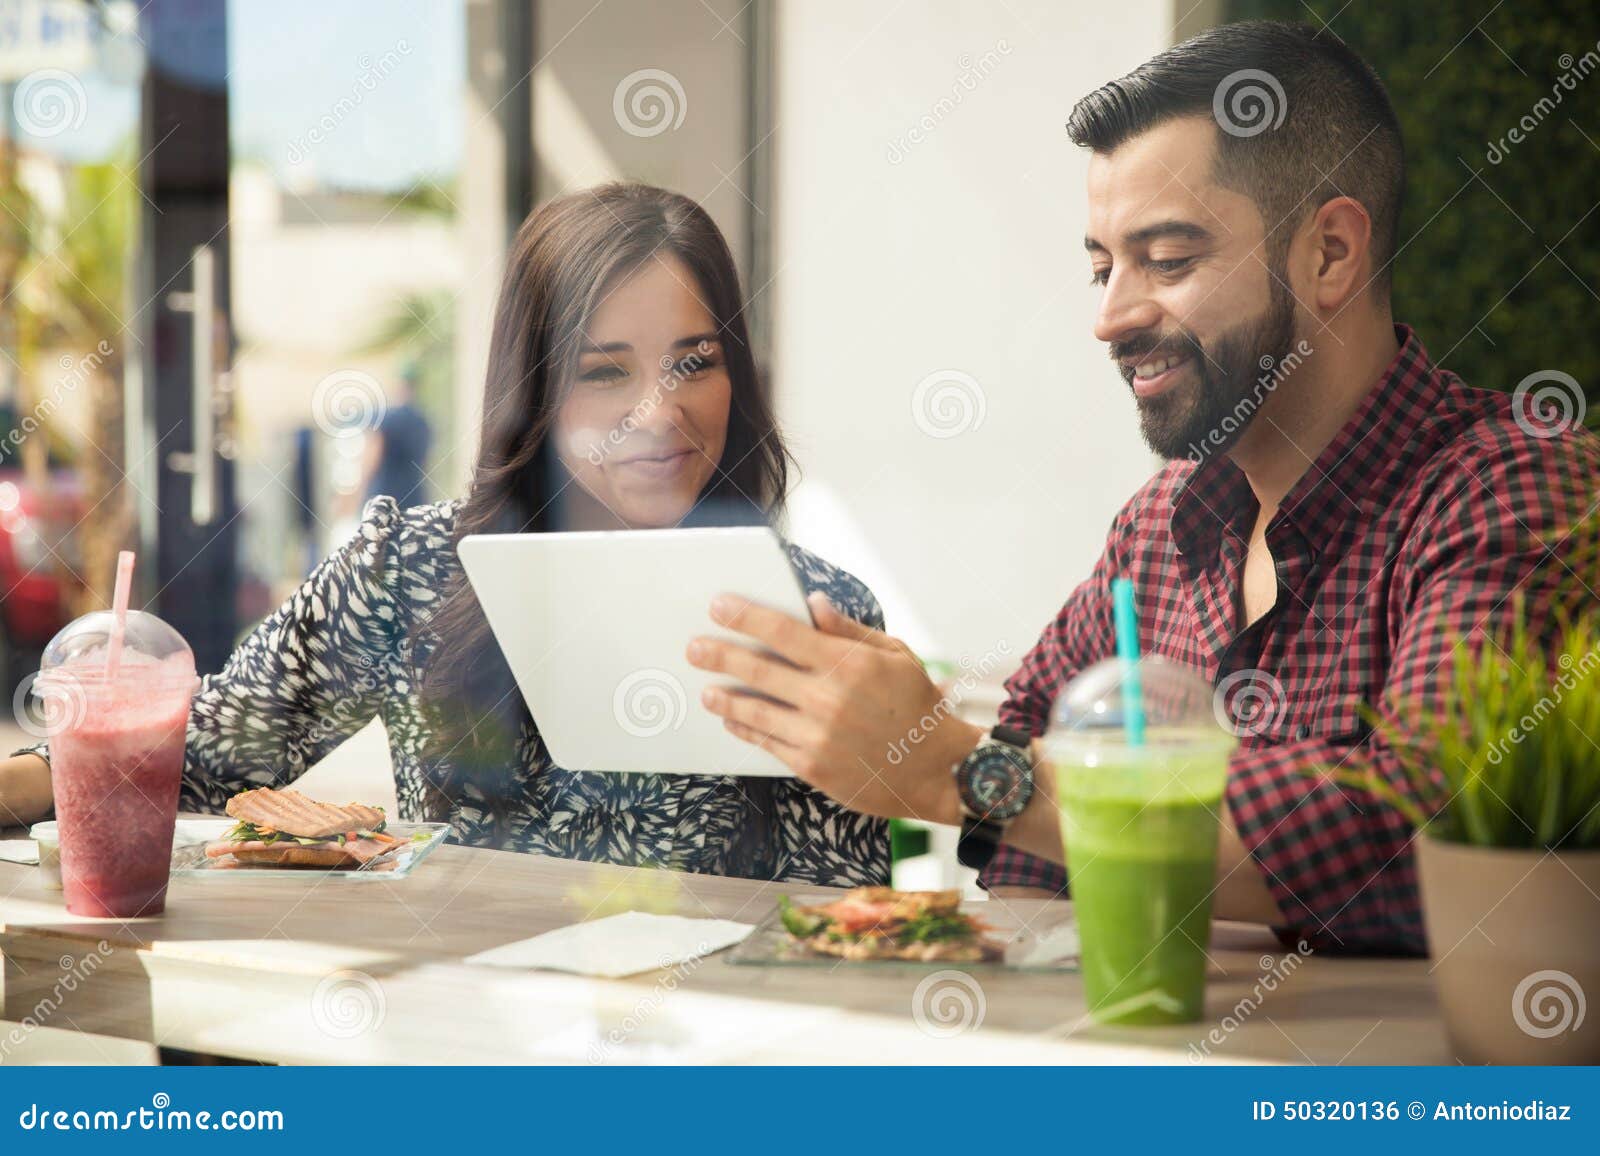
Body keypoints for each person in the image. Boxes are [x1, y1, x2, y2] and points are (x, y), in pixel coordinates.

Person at [687, 21, 1600, 953]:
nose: (1110, 317)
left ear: (1330, 255)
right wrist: (995, 781)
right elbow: (1024, 849)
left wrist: (959, 775)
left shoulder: (1517, 486)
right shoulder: (1160, 526)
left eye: (1168, 260)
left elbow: (1431, 834)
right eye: (1101, 266)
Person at [1, 183, 890, 888]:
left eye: (696, 361)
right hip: (456, 1034)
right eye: (604, 372)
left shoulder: (818, 615)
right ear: (536, 390)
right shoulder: (408, 568)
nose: (660, 414)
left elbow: (841, 914)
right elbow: (198, 757)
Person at [362, 361, 433, 509]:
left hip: (384, 500)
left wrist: (357, 492)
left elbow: (371, 458)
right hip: (415, 499)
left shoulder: (386, 418)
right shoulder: (423, 422)